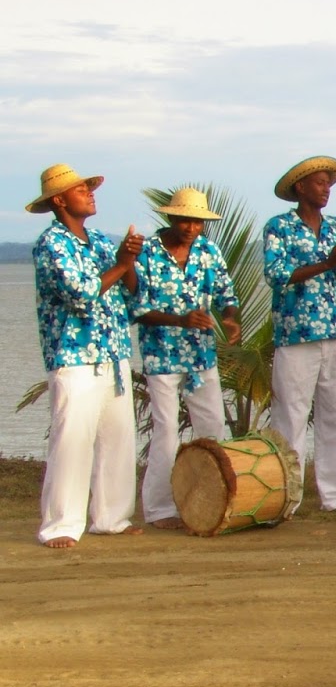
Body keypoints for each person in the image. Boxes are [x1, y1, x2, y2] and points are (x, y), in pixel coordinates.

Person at [28, 163, 144, 548]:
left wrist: (128, 262)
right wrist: (122, 263)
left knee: (118, 440)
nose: (90, 194)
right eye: (81, 190)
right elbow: (80, 293)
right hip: (75, 358)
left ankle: (111, 517)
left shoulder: (97, 240)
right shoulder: (51, 245)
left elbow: (132, 294)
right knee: (72, 443)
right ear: (59, 201)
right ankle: (60, 524)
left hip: (113, 354)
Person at [131, 187, 241, 529]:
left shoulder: (208, 250)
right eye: (186, 220)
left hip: (201, 355)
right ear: (171, 217)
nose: (192, 227)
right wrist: (181, 320)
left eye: (197, 222)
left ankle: (218, 501)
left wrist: (230, 318)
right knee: (166, 431)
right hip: (161, 356)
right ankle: (160, 509)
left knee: (213, 427)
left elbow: (227, 293)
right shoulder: (148, 252)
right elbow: (138, 309)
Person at [264, 155, 336, 514]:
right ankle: (287, 497)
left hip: (335, 330)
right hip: (295, 331)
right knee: (291, 414)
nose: (326, 189)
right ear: (300, 187)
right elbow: (276, 274)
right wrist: (327, 263)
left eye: (329, 183)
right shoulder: (279, 226)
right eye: (320, 183)